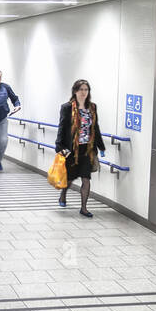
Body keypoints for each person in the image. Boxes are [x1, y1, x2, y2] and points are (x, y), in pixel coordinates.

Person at [55, 78, 107, 218]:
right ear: (75, 91)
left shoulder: (92, 107)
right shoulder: (67, 107)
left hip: (87, 150)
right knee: (71, 178)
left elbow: (95, 127)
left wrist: (101, 146)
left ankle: (84, 208)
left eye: (86, 89)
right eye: (81, 90)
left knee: (86, 178)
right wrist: (59, 146)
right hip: (72, 150)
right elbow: (62, 127)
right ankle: (63, 194)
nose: (83, 92)